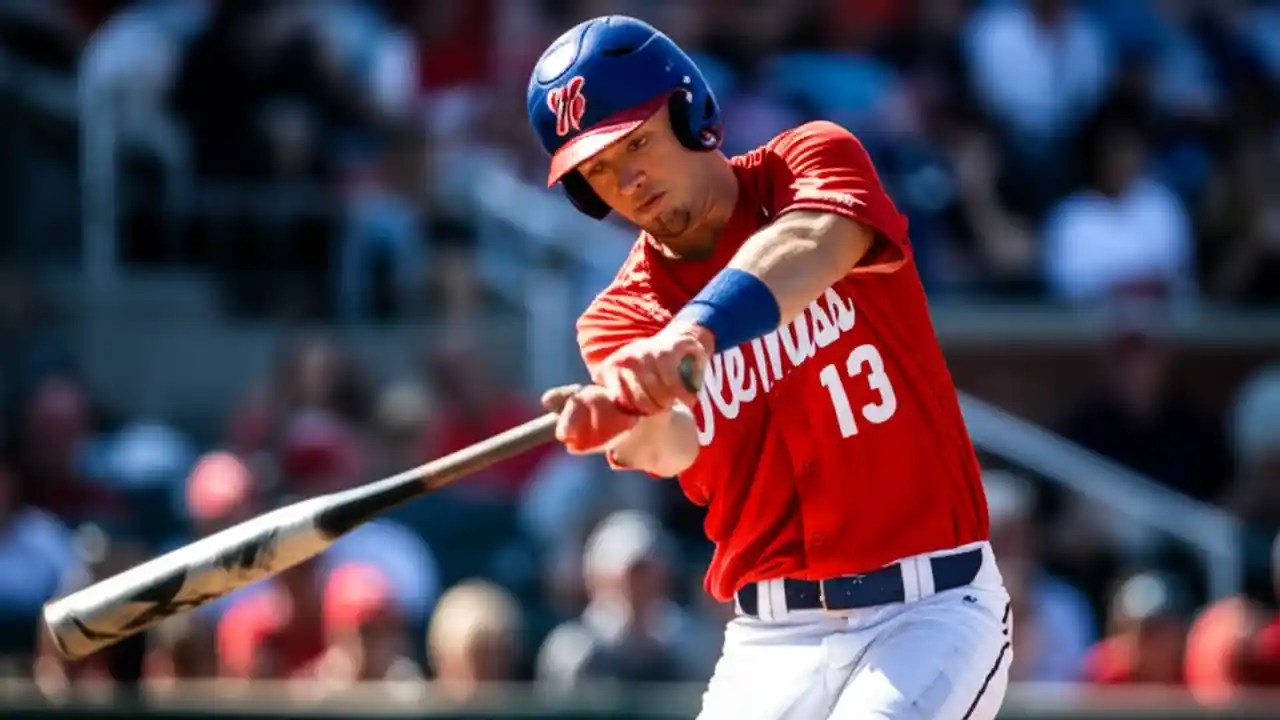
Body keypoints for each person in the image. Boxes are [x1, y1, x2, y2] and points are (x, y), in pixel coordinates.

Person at [526, 15, 1011, 720]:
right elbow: (671, 447)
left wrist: (691, 334)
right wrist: (628, 417)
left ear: (690, 111)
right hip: (772, 638)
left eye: (637, 142)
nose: (627, 180)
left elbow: (815, 240)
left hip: (929, 609)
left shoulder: (810, 160)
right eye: (596, 169)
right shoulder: (617, 320)